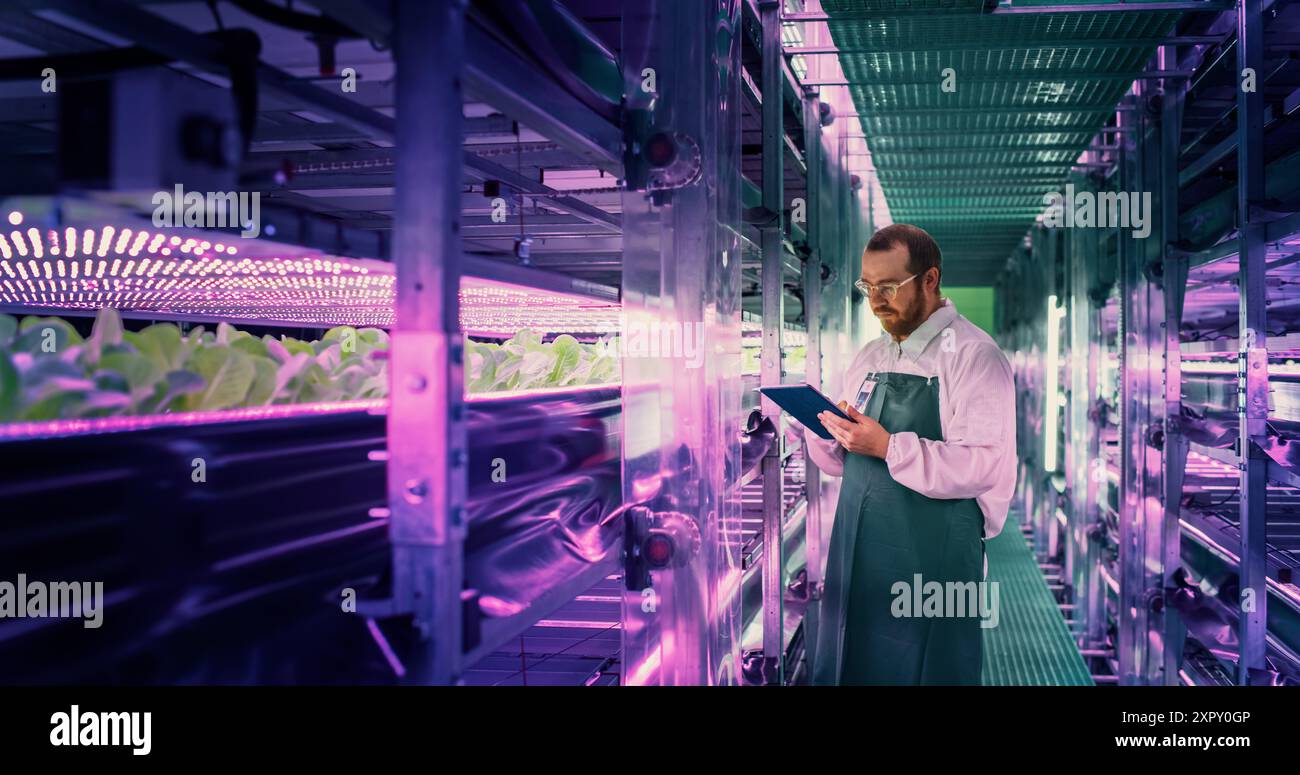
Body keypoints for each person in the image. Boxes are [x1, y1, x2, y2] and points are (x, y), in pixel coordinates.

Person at [800, 223, 1017, 686]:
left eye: (888, 287)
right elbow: (842, 464)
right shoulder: (870, 357)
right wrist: (827, 432)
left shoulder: (975, 357)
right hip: (859, 554)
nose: (876, 299)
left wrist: (887, 446)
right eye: (868, 287)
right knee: (851, 658)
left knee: (930, 667)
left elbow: (981, 465)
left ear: (930, 280)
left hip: (933, 562)